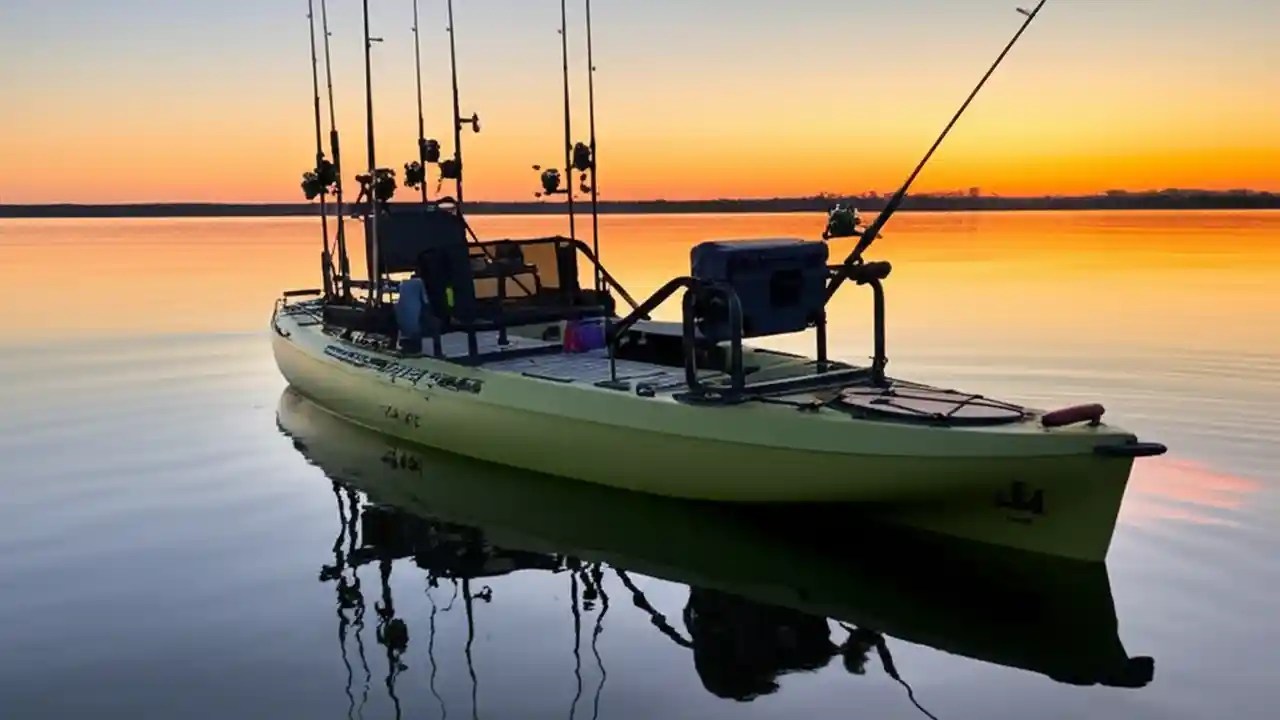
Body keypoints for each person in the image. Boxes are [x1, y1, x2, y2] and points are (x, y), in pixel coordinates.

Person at [395, 267, 431, 355]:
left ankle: (401, 346)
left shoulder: (403, 283)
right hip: (416, 321)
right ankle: (425, 350)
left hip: (401, 318)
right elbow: (426, 301)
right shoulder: (420, 282)